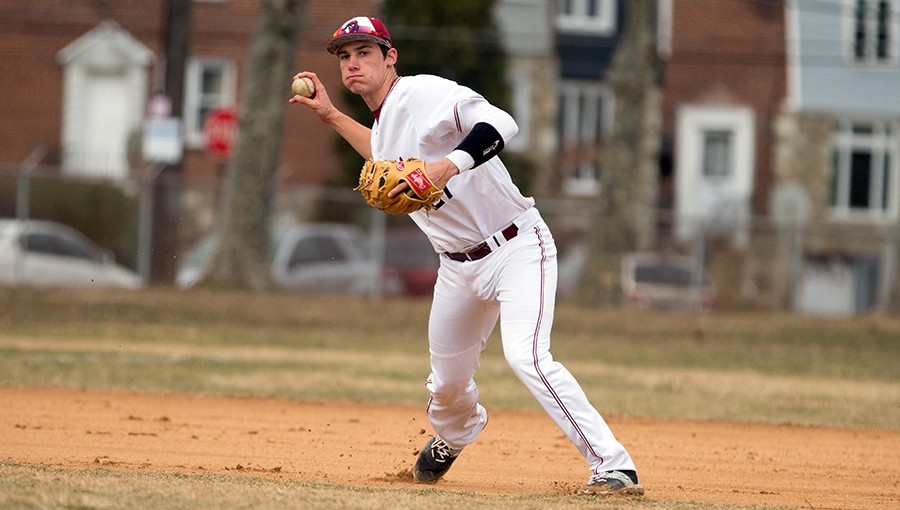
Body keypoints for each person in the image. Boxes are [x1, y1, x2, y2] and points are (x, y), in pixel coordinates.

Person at [290, 16, 644, 496]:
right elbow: (380, 151)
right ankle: (456, 433)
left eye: (365, 53)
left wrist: (444, 166)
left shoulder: (421, 93)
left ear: (390, 56)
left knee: (528, 358)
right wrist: (331, 116)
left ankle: (614, 466)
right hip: (457, 267)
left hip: (518, 246)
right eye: (345, 57)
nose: (353, 64)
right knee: (447, 384)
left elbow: (502, 122)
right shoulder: (387, 120)